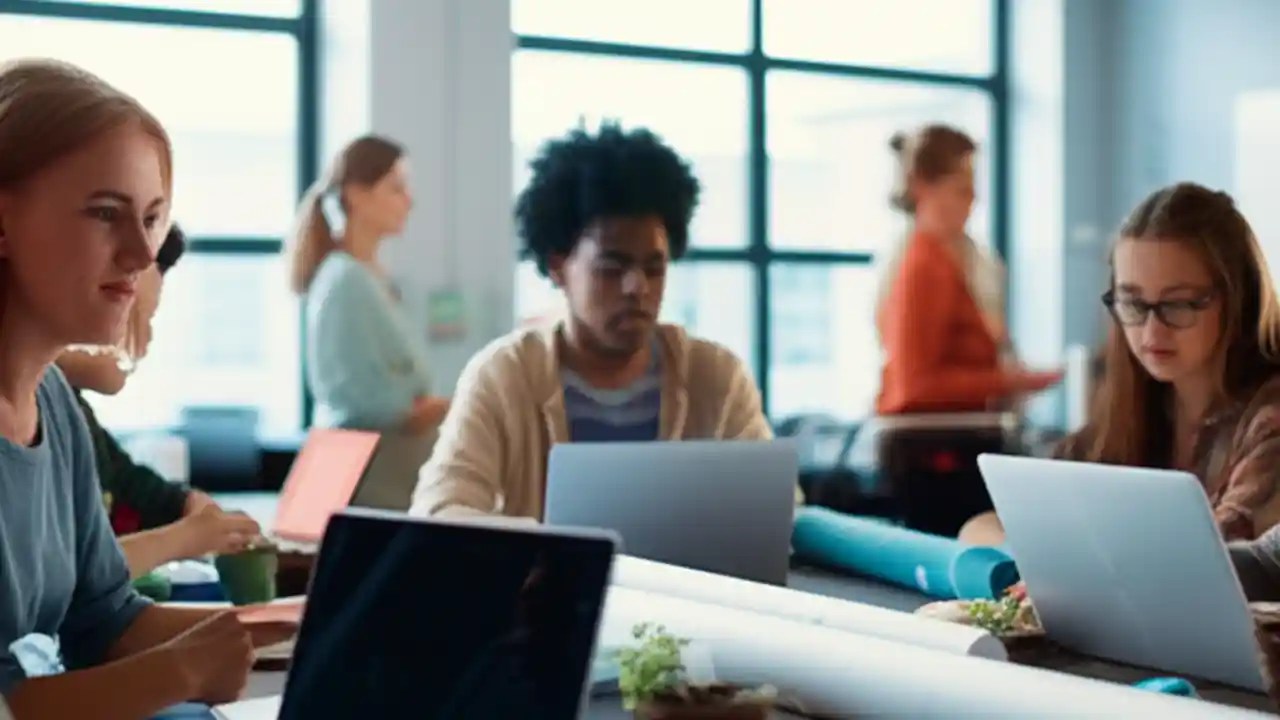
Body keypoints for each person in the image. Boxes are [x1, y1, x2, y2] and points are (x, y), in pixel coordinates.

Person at [0, 58, 292, 717]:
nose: (141, 254)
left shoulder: (54, 406)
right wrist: (179, 673)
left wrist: (309, 621)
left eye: (152, 218)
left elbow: (106, 621)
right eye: (106, 213)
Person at [410, 123, 797, 520]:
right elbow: (439, 511)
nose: (637, 287)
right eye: (612, 268)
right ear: (558, 266)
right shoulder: (506, 375)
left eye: (654, 268)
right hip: (551, 582)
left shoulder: (716, 377)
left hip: (679, 585)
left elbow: (778, 514)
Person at [962, 183, 1280, 546]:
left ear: (1238, 300)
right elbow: (987, 524)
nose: (1151, 330)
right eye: (1132, 304)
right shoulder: (1134, 409)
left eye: (1177, 304)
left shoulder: (1269, 420)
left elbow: (1221, 556)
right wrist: (1023, 552)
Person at [57, 223, 260, 579]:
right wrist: (183, 538)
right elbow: (65, 576)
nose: (145, 339)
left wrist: (185, 506)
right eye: (139, 316)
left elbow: (127, 483)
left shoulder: (67, 407)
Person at [876, 124, 1061, 414]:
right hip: (929, 441)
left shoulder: (957, 260)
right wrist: (1013, 381)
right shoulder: (924, 267)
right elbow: (916, 384)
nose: (973, 200)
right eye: (962, 190)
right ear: (922, 188)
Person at [287, 134, 449, 433]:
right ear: (357, 195)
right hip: (370, 469)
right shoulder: (346, 281)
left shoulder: (373, 279)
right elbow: (357, 404)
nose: (410, 201)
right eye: (396, 188)